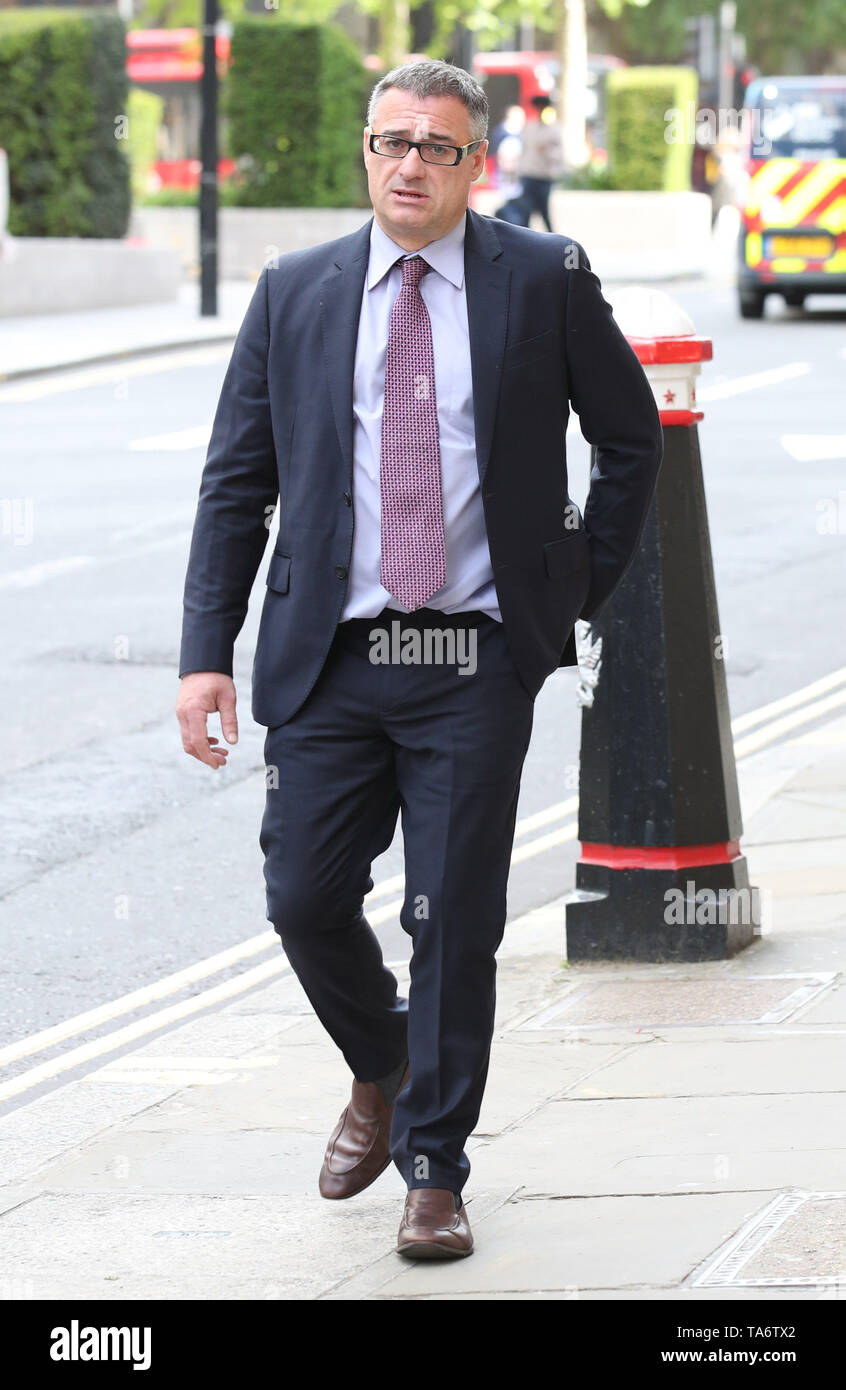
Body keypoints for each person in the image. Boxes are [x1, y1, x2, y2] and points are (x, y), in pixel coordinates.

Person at [176, 58, 663, 1260]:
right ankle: (384, 1063)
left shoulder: (542, 280)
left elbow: (629, 437)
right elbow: (239, 482)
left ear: (474, 165)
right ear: (367, 150)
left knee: (453, 921)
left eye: (435, 147)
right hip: (332, 659)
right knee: (302, 898)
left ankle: (434, 1170)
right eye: (391, 141)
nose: (408, 164)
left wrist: (562, 601)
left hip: (472, 659)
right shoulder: (296, 289)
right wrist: (205, 656)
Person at [515, 93, 565, 232]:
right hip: (529, 174)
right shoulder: (529, 127)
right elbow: (524, 150)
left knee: (544, 211)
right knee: (526, 210)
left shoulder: (554, 129)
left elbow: (559, 154)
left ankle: (551, 239)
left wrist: (546, 151)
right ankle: (523, 237)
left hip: (544, 176)